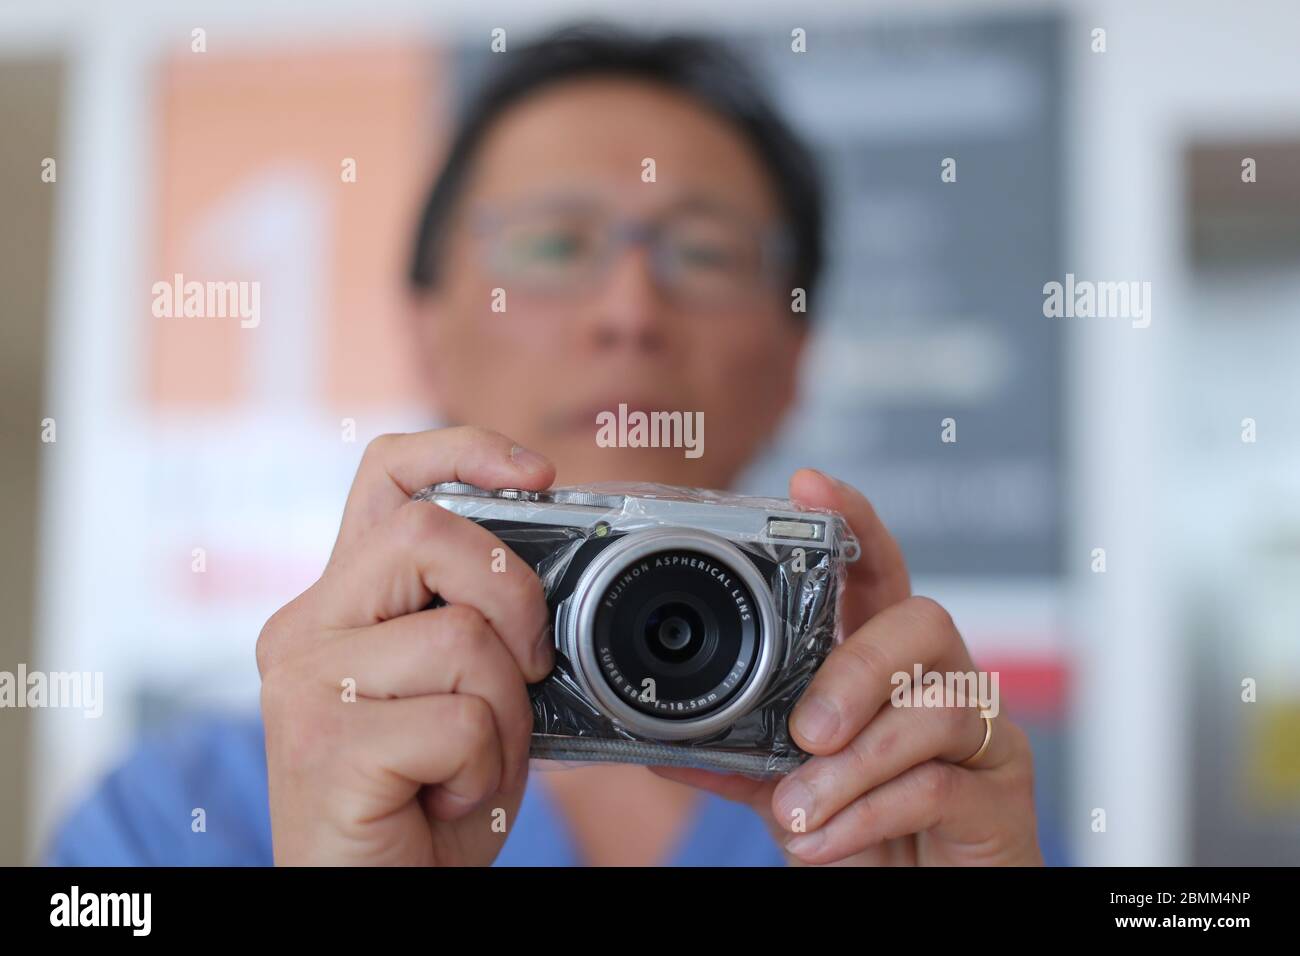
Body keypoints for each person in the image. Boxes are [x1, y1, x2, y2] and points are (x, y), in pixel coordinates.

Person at [46, 24, 1053, 867]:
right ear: (427, 327)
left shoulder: (932, 811)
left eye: (702, 252)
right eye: (551, 244)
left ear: (794, 352)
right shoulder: (167, 825)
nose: (628, 310)